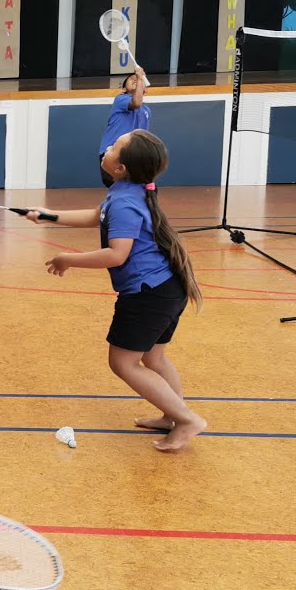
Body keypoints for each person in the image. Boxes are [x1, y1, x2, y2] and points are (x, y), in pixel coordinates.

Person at [26, 129, 206, 452]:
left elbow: (117, 254)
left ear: (121, 167)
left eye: (114, 147)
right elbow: (97, 216)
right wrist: (49, 216)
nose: (107, 147)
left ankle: (188, 419)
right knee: (154, 357)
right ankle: (172, 414)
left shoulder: (125, 200)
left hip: (147, 294)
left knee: (122, 362)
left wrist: (69, 259)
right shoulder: (125, 191)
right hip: (166, 289)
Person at [98, 67, 151, 187]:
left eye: (139, 80)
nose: (136, 80)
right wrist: (139, 77)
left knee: (139, 187)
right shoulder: (121, 99)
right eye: (132, 79)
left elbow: (143, 134)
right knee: (118, 186)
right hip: (112, 151)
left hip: (133, 154)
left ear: (145, 90)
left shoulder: (147, 110)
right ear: (124, 89)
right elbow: (136, 103)